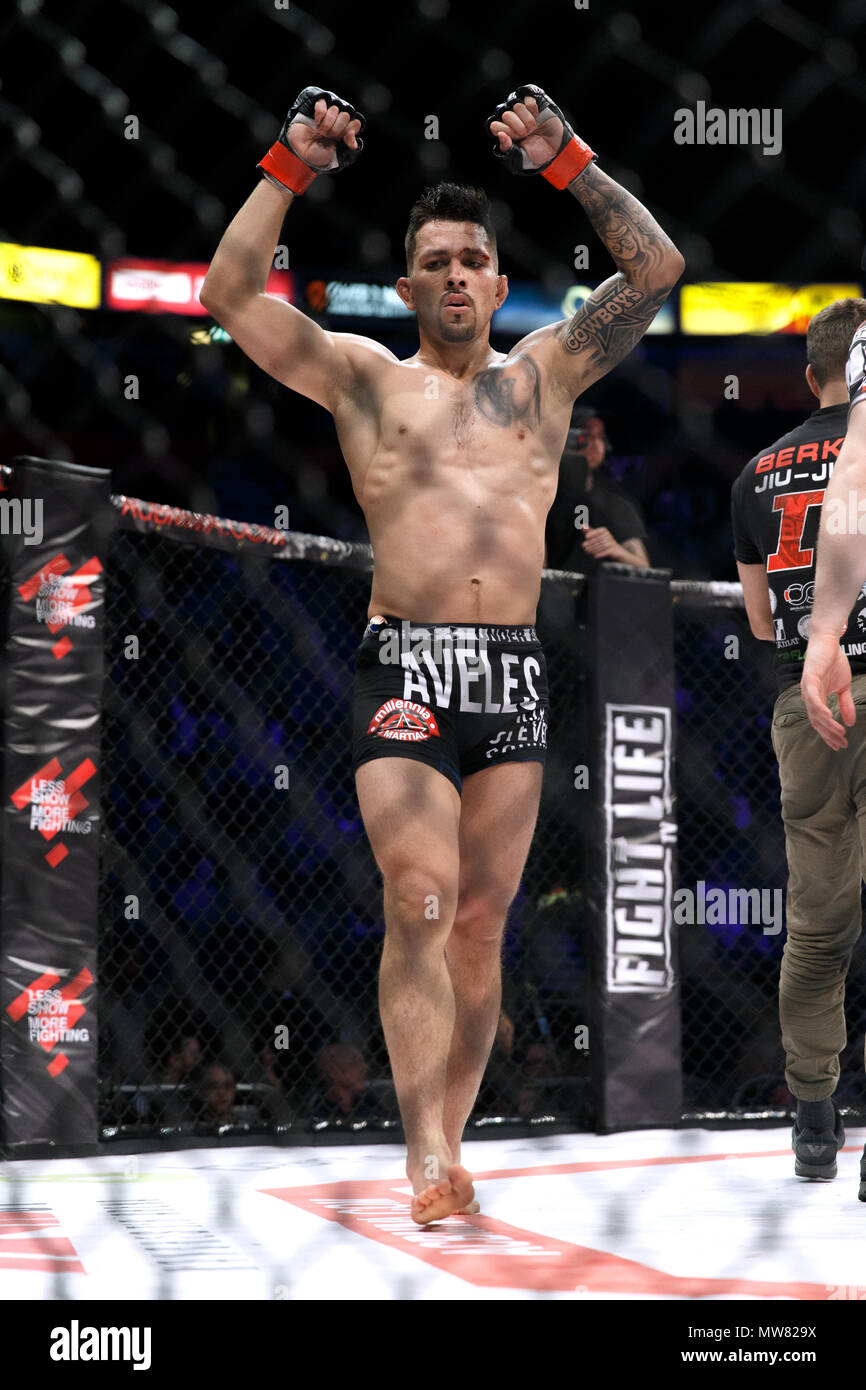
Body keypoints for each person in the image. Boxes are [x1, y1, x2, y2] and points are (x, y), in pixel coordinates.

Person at [201, 82, 683, 1222]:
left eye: (474, 257)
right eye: (436, 260)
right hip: (405, 665)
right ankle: (421, 1153)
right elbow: (229, 294)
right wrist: (289, 163)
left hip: (510, 670)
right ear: (410, 284)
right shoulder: (366, 379)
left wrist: (566, 159)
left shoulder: (545, 374)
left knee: (477, 924)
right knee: (418, 897)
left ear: (500, 284)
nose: (457, 274)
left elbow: (656, 268)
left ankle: (450, 1140)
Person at [730, 297, 866, 1188]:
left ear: (807, 375)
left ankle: (814, 1120)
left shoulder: (756, 475)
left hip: (807, 701)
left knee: (818, 928)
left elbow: (754, 617)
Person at [545, 406, 650, 572]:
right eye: (585, 436)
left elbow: (644, 568)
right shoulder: (543, 494)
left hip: (596, 594)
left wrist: (617, 550)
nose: (596, 444)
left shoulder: (616, 503)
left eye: (600, 437)